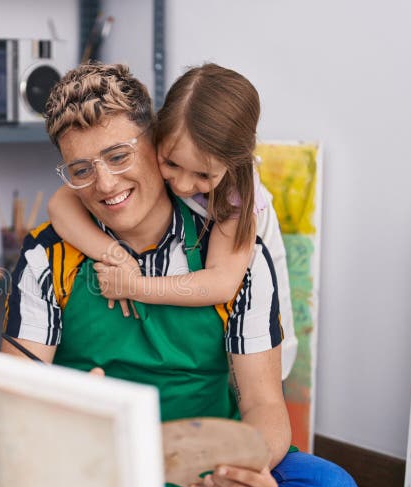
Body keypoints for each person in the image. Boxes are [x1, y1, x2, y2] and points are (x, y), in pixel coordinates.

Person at [1, 63, 362, 487]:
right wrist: (61, 412)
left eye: (118, 156)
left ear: (156, 144)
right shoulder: (48, 255)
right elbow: (11, 398)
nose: (105, 184)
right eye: (81, 170)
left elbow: (264, 404)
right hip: (94, 482)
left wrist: (246, 468)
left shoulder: (233, 250)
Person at [46, 63, 298, 378]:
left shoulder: (237, 193)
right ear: (157, 135)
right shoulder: (168, 153)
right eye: (171, 164)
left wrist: (135, 286)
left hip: (257, 333)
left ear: (231, 167)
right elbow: (59, 205)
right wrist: (115, 254)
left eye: (203, 176)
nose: (181, 184)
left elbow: (220, 283)